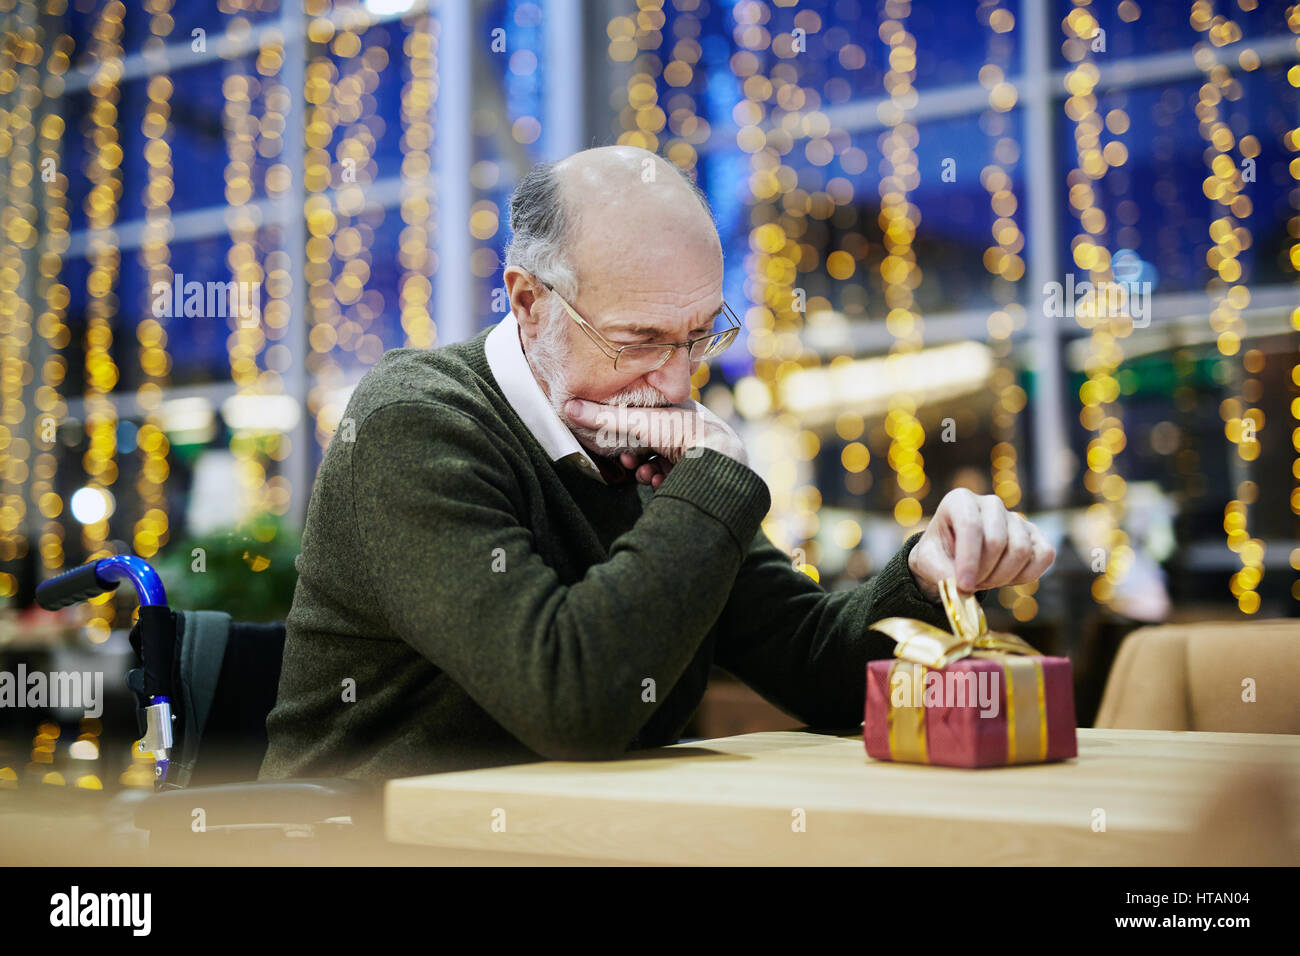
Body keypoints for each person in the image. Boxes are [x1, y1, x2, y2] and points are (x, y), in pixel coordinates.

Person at [258, 146, 1055, 782]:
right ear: (529, 303)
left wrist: (923, 574)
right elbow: (571, 700)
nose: (675, 383)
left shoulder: (644, 442)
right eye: (639, 341)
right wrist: (714, 482)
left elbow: (815, 670)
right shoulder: (414, 423)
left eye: (700, 336)